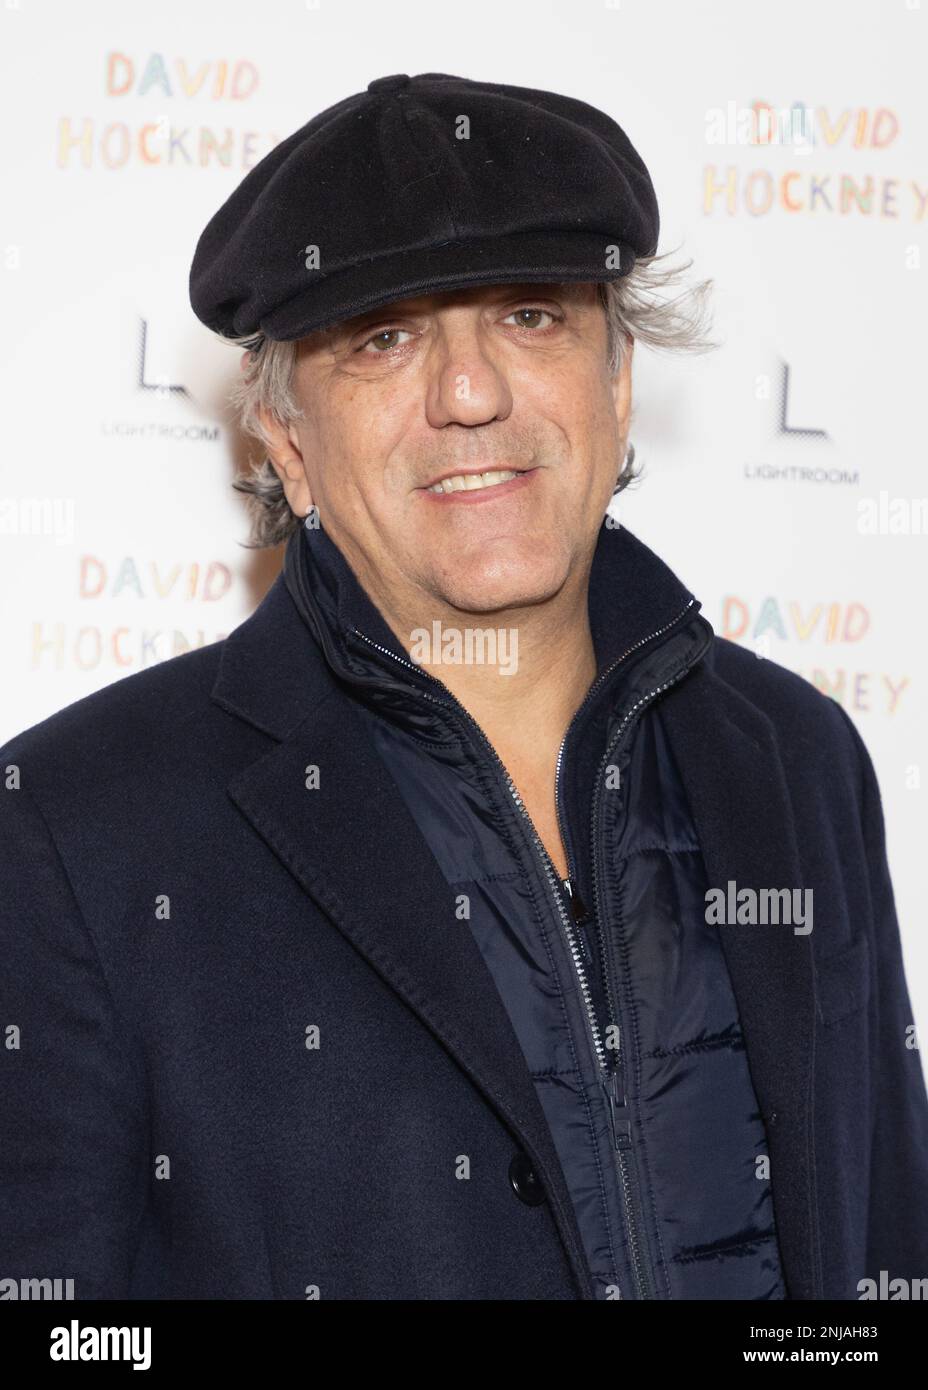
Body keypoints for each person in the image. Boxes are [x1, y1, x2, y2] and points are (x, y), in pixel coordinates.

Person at [1, 72, 926, 1302]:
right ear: (284, 438)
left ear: (616, 377)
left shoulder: (796, 756)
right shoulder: (75, 827)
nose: (471, 392)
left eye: (532, 317)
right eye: (384, 337)